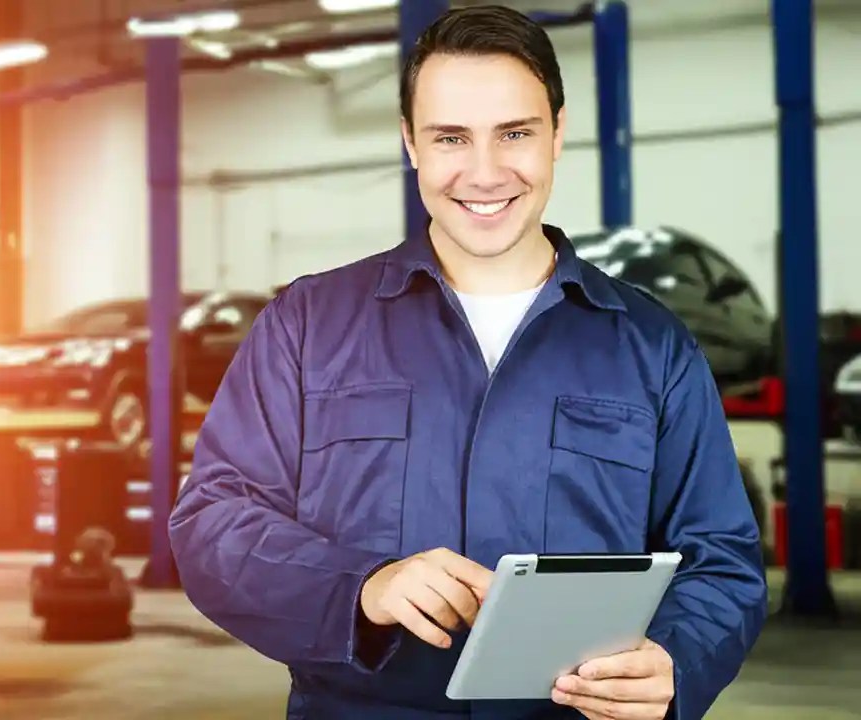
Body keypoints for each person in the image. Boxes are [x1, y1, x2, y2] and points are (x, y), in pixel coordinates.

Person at [168, 5, 768, 719]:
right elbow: (213, 522)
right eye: (451, 137)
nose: (484, 174)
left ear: (557, 135)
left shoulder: (651, 345)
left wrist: (676, 658)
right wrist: (362, 587)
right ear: (410, 144)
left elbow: (721, 560)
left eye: (514, 133)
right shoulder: (307, 326)